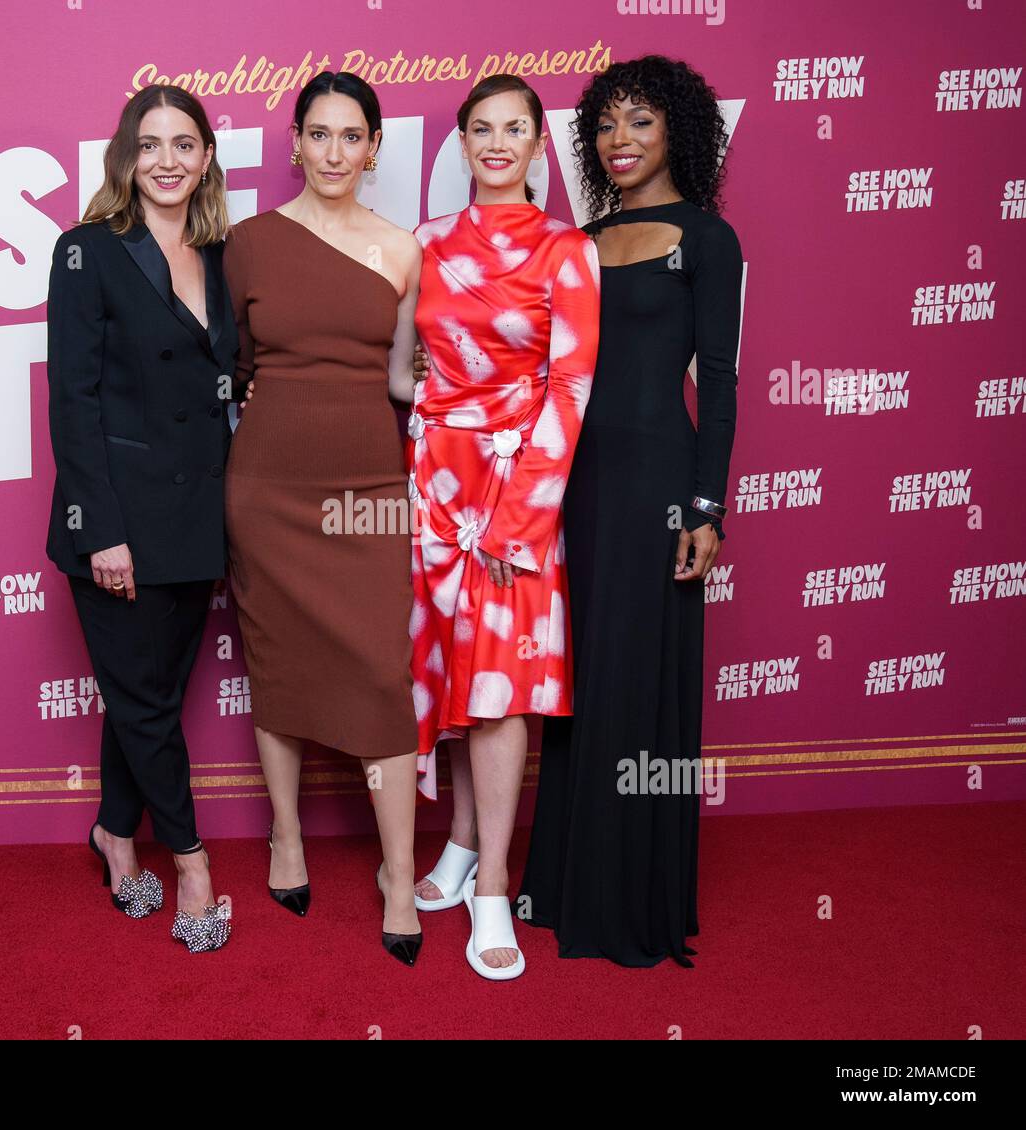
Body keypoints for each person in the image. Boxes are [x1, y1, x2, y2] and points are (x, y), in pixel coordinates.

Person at [517, 55, 743, 968]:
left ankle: (633, 897)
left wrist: (707, 508)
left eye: (641, 121)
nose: (620, 139)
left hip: (659, 487)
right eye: (606, 123)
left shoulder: (707, 239)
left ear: (677, 131)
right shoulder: (576, 241)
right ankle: (567, 880)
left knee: (639, 675)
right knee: (580, 677)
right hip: (575, 486)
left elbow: (718, 385)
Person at [222, 72, 425, 965]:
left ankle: (398, 871)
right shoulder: (249, 244)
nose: (334, 152)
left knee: (381, 670)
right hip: (267, 487)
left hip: (368, 486)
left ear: (373, 148)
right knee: (279, 664)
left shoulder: (402, 249)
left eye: (351, 136)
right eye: (319, 134)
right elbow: (231, 365)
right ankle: (287, 836)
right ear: (295, 143)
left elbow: (399, 378)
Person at [409, 75, 601, 980]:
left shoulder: (568, 248)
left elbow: (571, 388)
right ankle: (457, 845)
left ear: (536, 144)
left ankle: (493, 887)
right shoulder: (427, 242)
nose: (495, 143)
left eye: (513, 128)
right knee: (455, 673)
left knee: (501, 686)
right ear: (461, 143)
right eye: (480, 129)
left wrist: (518, 519)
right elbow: (408, 370)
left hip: (517, 492)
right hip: (435, 487)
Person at [45, 84, 237, 953]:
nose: (167, 160)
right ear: (127, 155)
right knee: (145, 702)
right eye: (150, 144)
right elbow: (73, 403)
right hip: (118, 518)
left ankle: (113, 833)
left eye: (183, 144)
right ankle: (191, 862)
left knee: (146, 697)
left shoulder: (222, 253)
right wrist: (101, 531)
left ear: (205, 158)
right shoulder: (86, 250)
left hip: (198, 517)